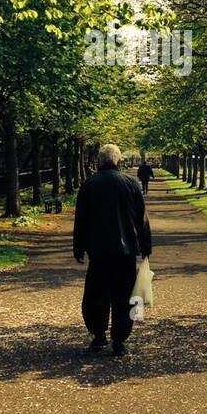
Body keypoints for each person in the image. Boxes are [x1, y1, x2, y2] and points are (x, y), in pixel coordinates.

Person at [72, 143, 152, 356]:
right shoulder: (131, 184)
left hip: (98, 251)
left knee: (96, 294)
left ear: (99, 161)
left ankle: (98, 334)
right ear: (118, 160)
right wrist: (146, 246)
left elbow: (81, 220)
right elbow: (141, 219)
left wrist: (78, 247)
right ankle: (119, 339)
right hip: (125, 254)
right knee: (124, 296)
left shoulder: (89, 185)